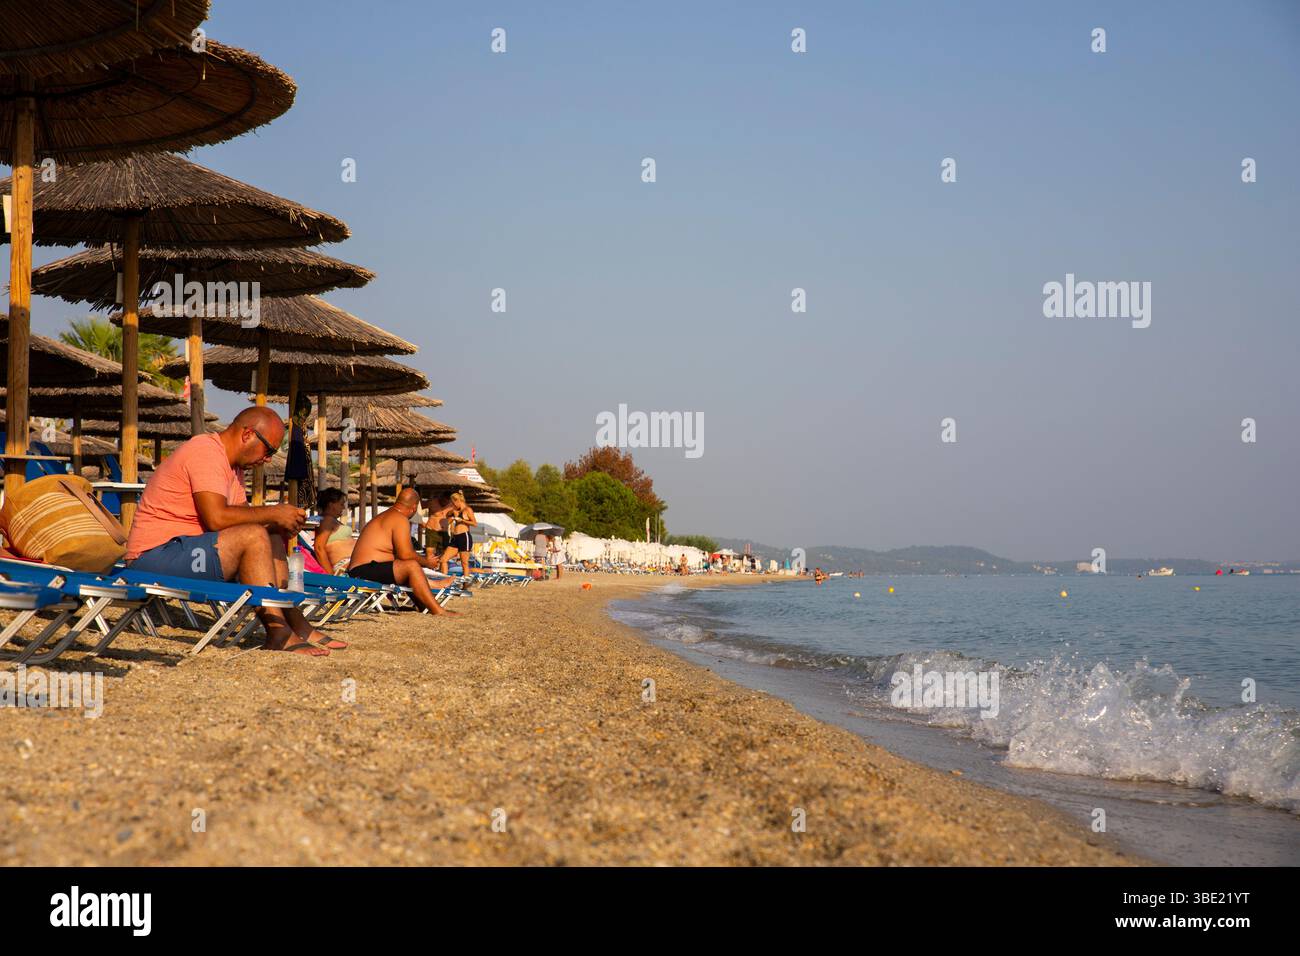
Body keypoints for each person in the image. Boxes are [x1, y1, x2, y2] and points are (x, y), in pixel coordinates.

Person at [124, 406, 342, 656]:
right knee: (254, 534)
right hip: (154, 556)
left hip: (185, 550)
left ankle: (295, 622)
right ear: (248, 434)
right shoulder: (205, 452)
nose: (268, 458)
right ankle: (277, 632)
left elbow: (245, 518)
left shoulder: (232, 467)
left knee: (267, 533)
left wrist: (281, 521)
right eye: (268, 449)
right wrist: (273, 512)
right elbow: (217, 518)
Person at [347, 488, 458, 615]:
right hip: (363, 570)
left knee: (408, 568)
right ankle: (437, 610)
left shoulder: (388, 515)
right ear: (414, 507)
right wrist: (427, 562)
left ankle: (424, 606)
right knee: (411, 566)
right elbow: (405, 554)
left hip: (361, 569)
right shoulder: (400, 519)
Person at [435, 491, 476, 579]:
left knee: (464, 563)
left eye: (453, 503)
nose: (453, 505)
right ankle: (445, 583)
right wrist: (452, 515)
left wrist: (462, 520)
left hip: (464, 537)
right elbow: (447, 519)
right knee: (443, 560)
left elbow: (474, 523)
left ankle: (465, 585)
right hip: (455, 538)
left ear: (458, 501)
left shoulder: (467, 510)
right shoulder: (455, 511)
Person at [312, 488, 354, 573]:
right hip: (344, 565)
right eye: (341, 504)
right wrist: (330, 574)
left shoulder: (332, 521)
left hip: (351, 563)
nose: (343, 508)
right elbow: (319, 547)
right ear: (331, 505)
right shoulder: (327, 520)